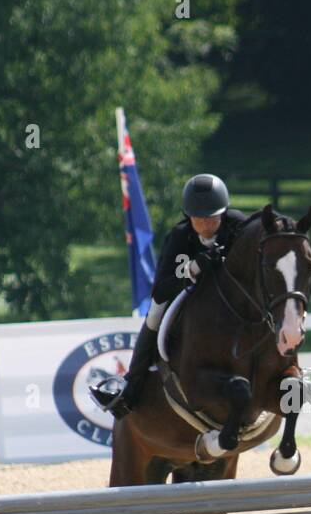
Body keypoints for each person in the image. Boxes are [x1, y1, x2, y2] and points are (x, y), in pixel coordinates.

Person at [91, 173, 249, 417]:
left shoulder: (239, 226)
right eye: (199, 219)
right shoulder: (178, 237)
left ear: (224, 213)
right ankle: (130, 390)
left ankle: (293, 376)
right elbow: (161, 289)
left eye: (212, 218)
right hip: (188, 296)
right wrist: (190, 271)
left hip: (233, 298)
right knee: (154, 315)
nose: (206, 225)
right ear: (189, 216)